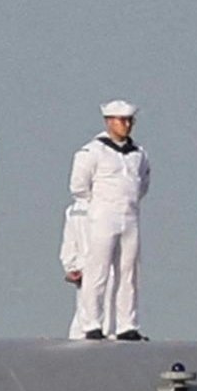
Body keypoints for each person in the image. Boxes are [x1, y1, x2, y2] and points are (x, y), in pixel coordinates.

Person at [65, 100, 149, 340]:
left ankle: (127, 324)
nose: (127, 125)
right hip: (103, 215)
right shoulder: (93, 152)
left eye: (130, 120)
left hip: (129, 215)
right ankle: (92, 322)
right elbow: (79, 186)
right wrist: (99, 206)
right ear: (109, 121)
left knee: (128, 272)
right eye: (122, 120)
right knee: (97, 271)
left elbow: (143, 184)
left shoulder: (138, 154)